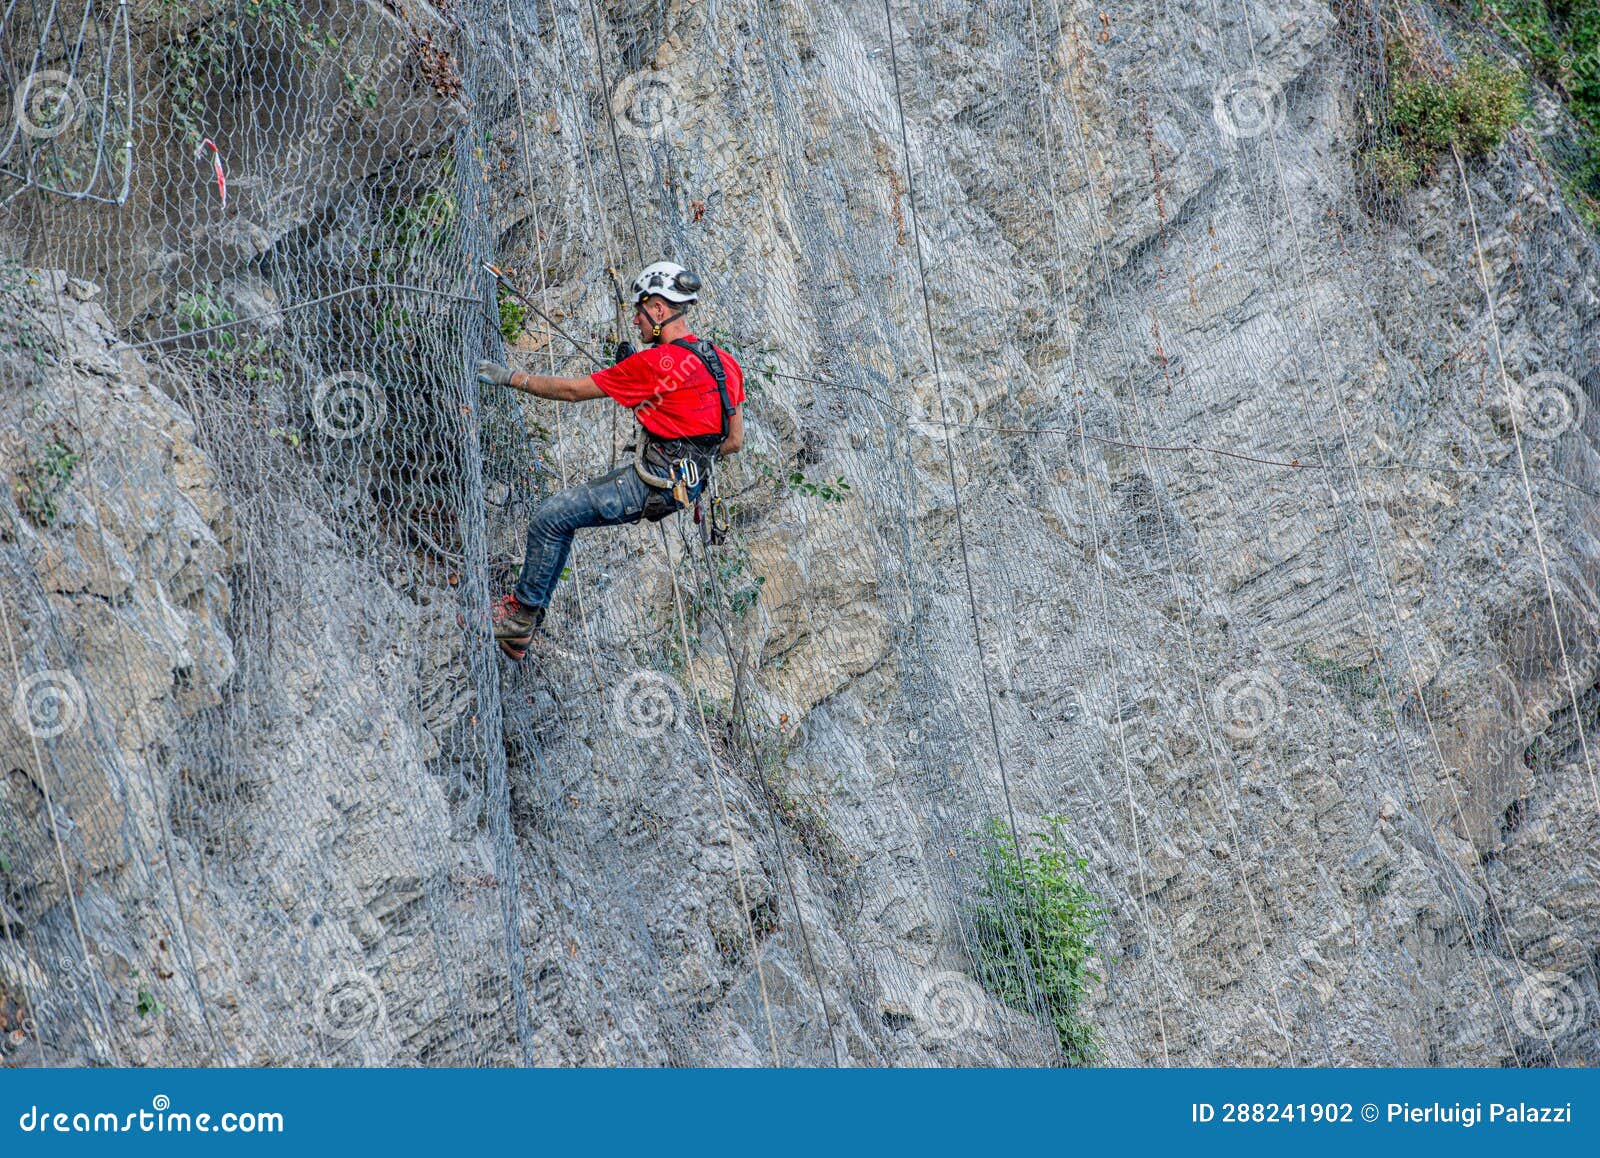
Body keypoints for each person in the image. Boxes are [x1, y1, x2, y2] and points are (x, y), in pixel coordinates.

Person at [476, 261, 745, 660]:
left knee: (551, 516)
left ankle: (519, 616)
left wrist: (510, 377)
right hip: (684, 485)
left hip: (651, 481)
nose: (635, 320)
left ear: (658, 310)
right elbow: (734, 441)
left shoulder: (651, 365)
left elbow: (571, 391)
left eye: (640, 310)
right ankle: (520, 632)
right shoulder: (724, 362)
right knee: (565, 519)